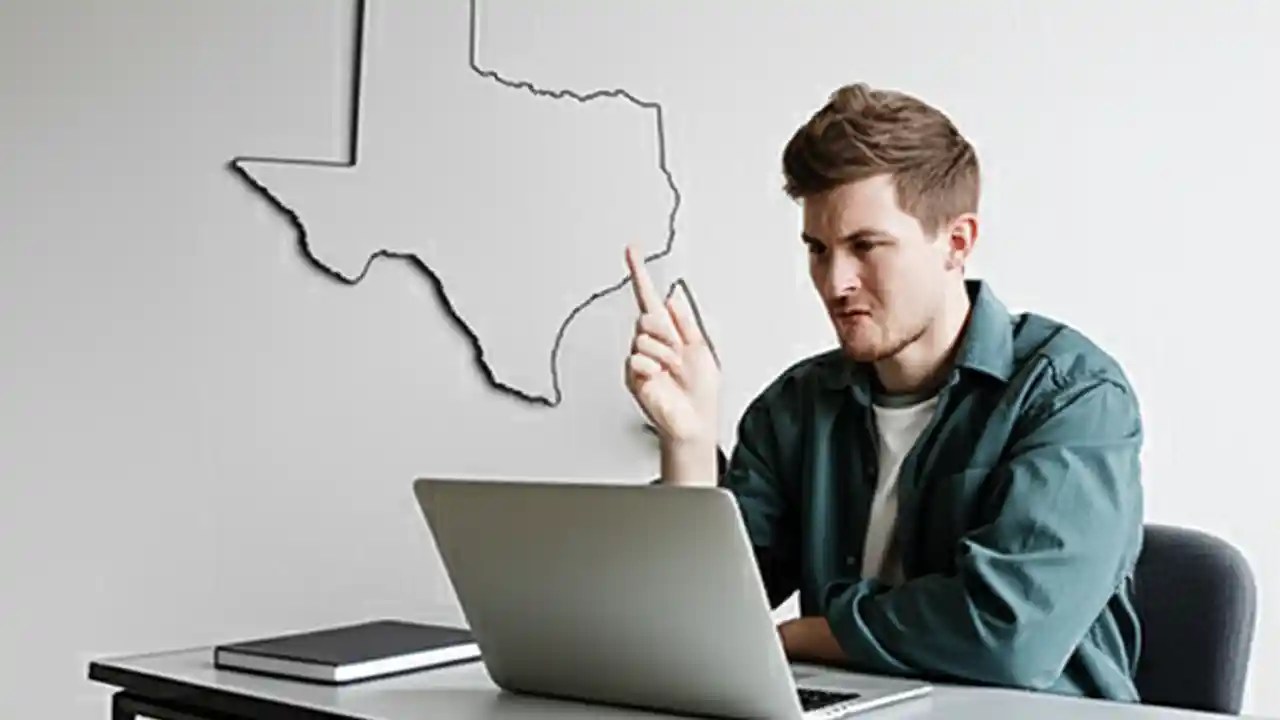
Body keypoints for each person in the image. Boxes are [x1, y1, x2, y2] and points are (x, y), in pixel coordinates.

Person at [622, 82, 1145, 702]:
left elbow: (1009, 635)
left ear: (957, 242)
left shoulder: (1072, 395)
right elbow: (701, 619)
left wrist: (800, 636)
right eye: (818, 250)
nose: (835, 282)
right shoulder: (795, 408)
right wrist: (688, 442)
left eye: (866, 246)